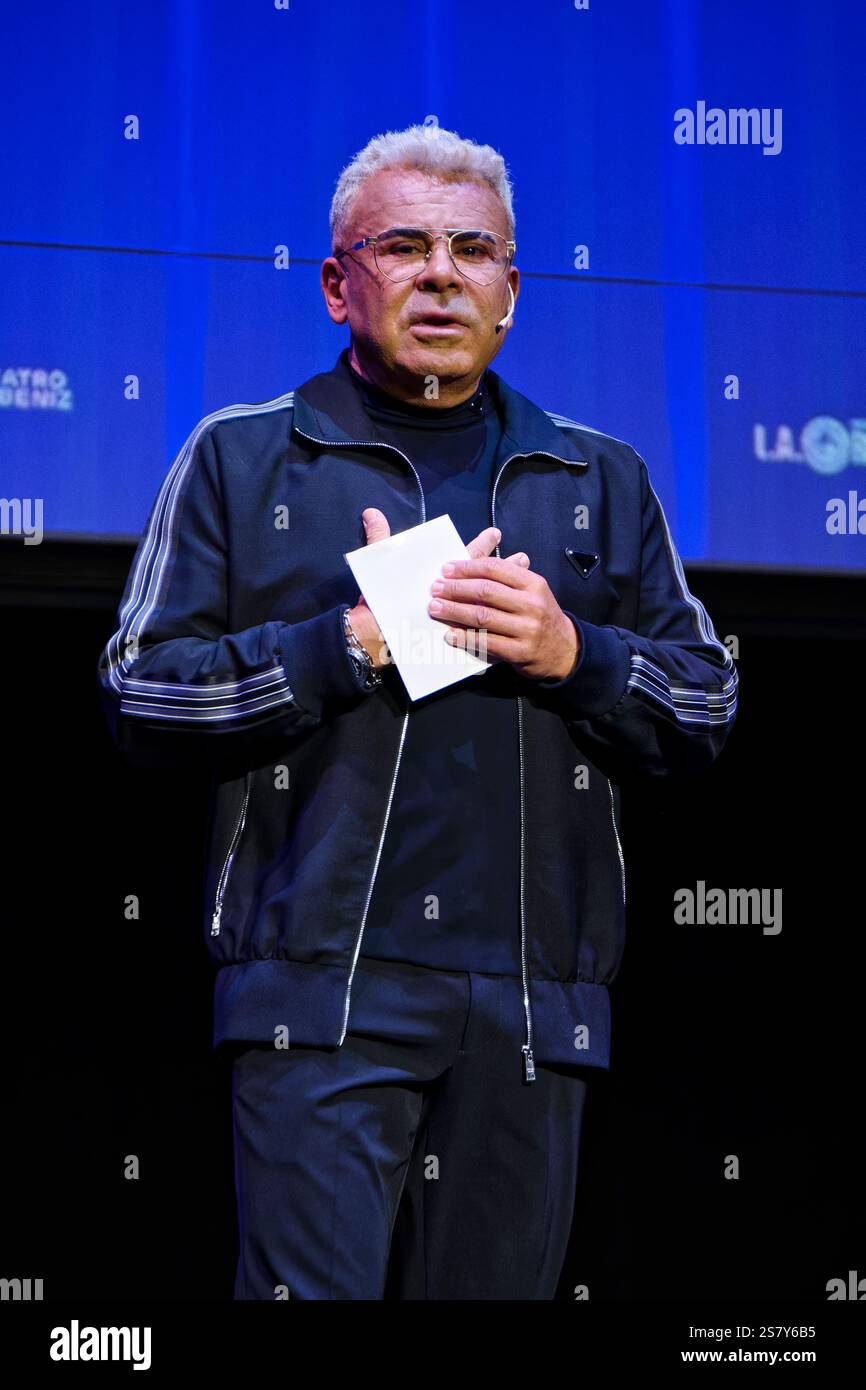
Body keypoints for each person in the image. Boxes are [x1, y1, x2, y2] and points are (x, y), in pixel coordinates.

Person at [97, 125, 738, 1300]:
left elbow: (703, 702)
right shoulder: (244, 459)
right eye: (402, 246)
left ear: (509, 292)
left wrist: (573, 653)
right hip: (317, 998)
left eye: (472, 250)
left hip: (533, 1012)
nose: (440, 272)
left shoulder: (597, 476)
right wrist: (344, 642)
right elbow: (142, 690)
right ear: (339, 283)